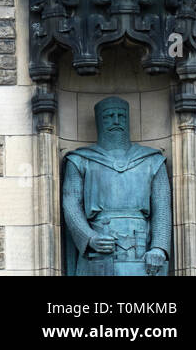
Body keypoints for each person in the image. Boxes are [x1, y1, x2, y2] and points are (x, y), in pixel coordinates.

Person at [62, 96, 169, 276]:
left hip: (142, 251)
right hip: (99, 250)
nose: (116, 121)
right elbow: (71, 204)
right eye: (109, 116)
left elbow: (163, 208)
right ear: (99, 121)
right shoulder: (80, 160)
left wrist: (159, 248)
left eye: (121, 116)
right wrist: (90, 238)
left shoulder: (152, 161)